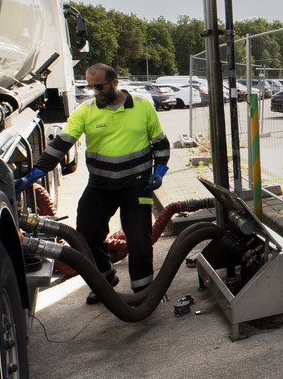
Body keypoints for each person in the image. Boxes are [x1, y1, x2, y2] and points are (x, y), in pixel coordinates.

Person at [18, 64, 170, 303]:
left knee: (139, 238)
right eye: (90, 87)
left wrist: (160, 170)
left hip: (137, 185)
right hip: (101, 186)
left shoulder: (142, 107)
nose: (95, 92)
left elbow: (160, 144)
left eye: (99, 86)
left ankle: (144, 292)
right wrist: (37, 170)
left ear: (115, 82)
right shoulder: (85, 111)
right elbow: (61, 144)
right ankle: (104, 280)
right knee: (86, 233)